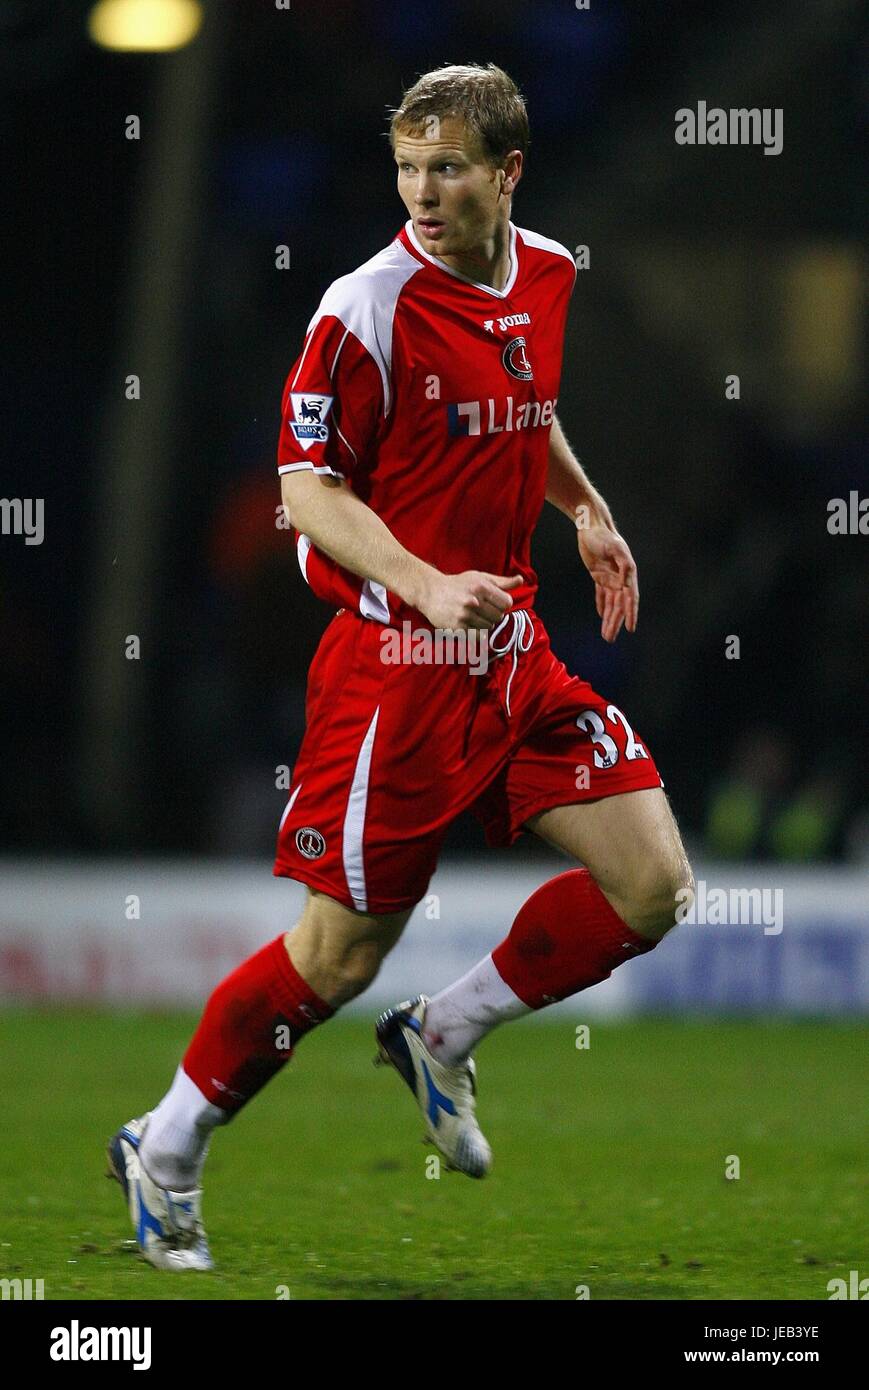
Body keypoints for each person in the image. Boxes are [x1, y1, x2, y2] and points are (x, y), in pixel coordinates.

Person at [108, 63, 694, 1271]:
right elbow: (303, 490)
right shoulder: (362, 307)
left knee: (653, 885)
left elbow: (524, 407)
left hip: (509, 643)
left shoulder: (547, 274)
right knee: (337, 954)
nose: (421, 194)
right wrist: (423, 582)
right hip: (398, 669)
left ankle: (443, 1031)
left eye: (446, 170)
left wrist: (580, 507)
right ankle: (163, 1146)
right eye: (406, 169)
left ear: (505, 175)